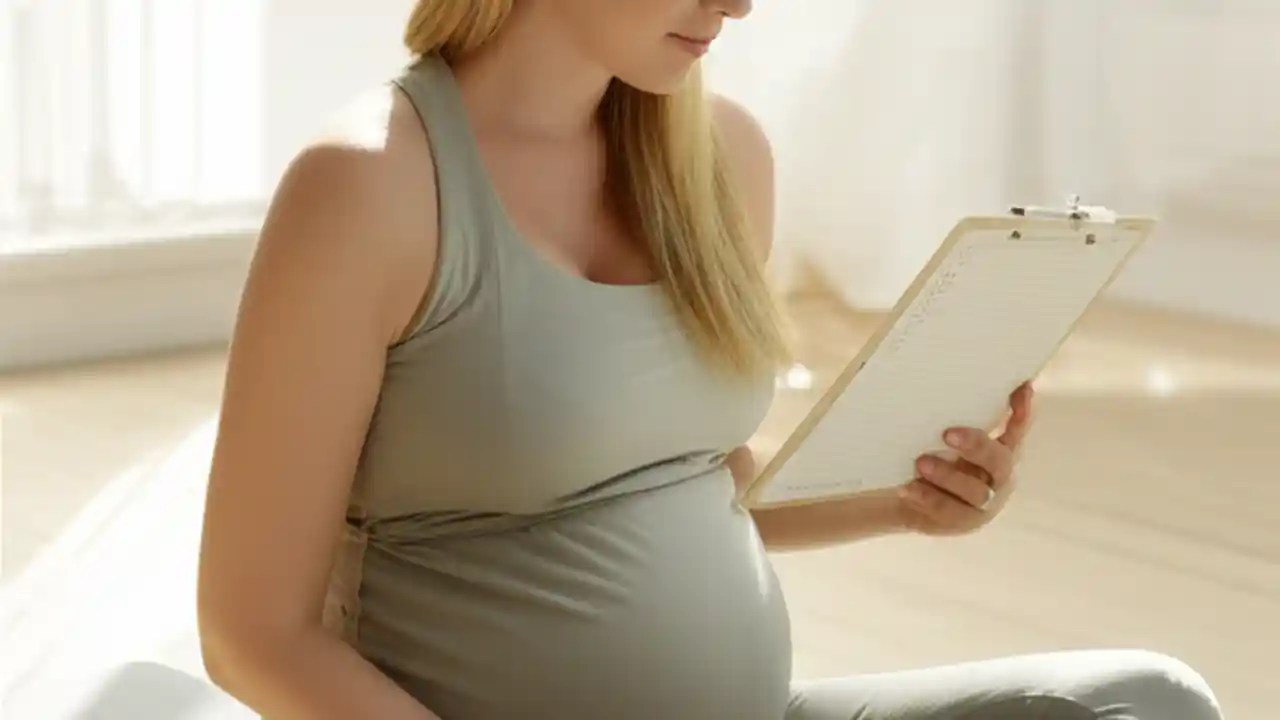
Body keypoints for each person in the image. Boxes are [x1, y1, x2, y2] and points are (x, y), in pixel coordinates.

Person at [195, 1, 1224, 718]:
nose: (736, 4)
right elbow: (252, 632)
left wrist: (904, 499)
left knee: (1148, 701)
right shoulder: (367, 187)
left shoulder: (721, 158)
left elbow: (689, 476)